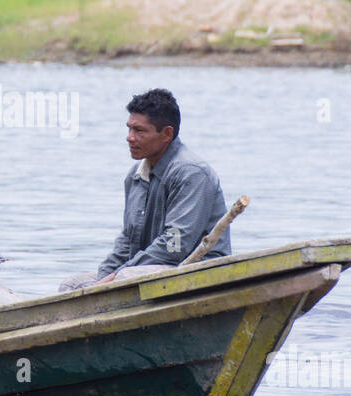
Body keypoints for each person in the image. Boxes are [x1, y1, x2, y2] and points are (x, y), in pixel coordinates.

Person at [59, 88, 230, 292]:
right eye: (129, 129)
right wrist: (103, 278)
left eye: (139, 131)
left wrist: (118, 274)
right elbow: (127, 242)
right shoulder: (135, 176)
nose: (130, 138)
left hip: (199, 271)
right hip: (148, 270)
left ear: (167, 134)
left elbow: (174, 245)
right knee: (72, 285)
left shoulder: (191, 173)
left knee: (125, 276)